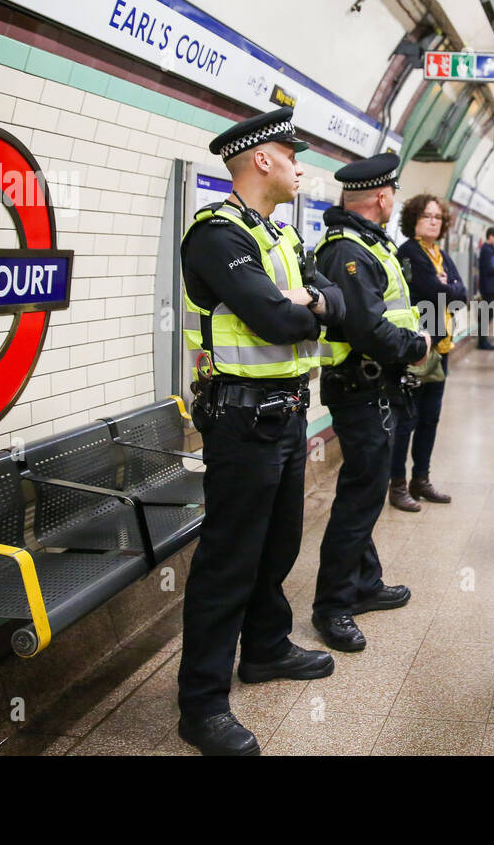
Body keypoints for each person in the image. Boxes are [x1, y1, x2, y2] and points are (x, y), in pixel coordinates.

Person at [177, 108, 347, 756]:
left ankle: (267, 648)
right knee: (228, 560)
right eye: (289, 151)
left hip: (284, 412)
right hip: (241, 418)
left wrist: (313, 302)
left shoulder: (275, 235)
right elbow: (275, 319)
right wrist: (305, 306)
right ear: (261, 160)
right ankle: (202, 705)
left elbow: (340, 303)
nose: (300, 164)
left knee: (276, 544)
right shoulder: (217, 237)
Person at [312, 153, 432, 653]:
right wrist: (416, 347)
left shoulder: (364, 243)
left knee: (364, 493)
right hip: (362, 392)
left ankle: (364, 582)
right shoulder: (346, 251)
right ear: (382, 197)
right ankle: (332, 607)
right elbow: (365, 327)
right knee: (358, 501)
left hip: (376, 390)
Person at [390, 194, 466, 512]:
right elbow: (432, 290)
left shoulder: (440, 254)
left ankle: (421, 479)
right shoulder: (409, 253)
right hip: (418, 348)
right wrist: (447, 286)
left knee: (430, 418)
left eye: (437, 216)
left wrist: (448, 286)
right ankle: (396, 484)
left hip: (441, 347)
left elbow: (461, 295)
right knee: (408, 418)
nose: (433, 221)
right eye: (426, 216)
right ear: (413, 221)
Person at [477, 226, 494, 349]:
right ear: (490, 236)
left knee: (488, 314)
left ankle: (484, 340)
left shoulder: (491, 249)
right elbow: (487, 269)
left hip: (492, 286)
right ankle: (482, 342)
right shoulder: (486, 250)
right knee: (486, 314)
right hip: (488, 288)